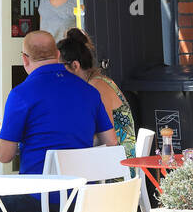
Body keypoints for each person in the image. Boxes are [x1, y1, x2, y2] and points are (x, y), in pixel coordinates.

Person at [0, 31, 115, 212]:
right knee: (32, 205)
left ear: (25, 59)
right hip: (83, 194)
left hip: (41, 194)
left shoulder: (22, 94)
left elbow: (5, 156)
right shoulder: (88, 91)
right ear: (57, 55)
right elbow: (110, 144)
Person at [57, 28, 137, 157]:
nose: (58, 73)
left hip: (119, 166)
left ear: (75, 65)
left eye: (60, 67)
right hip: (107, 160)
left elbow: (106, 138)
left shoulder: (97, 86)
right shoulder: (90, 85)